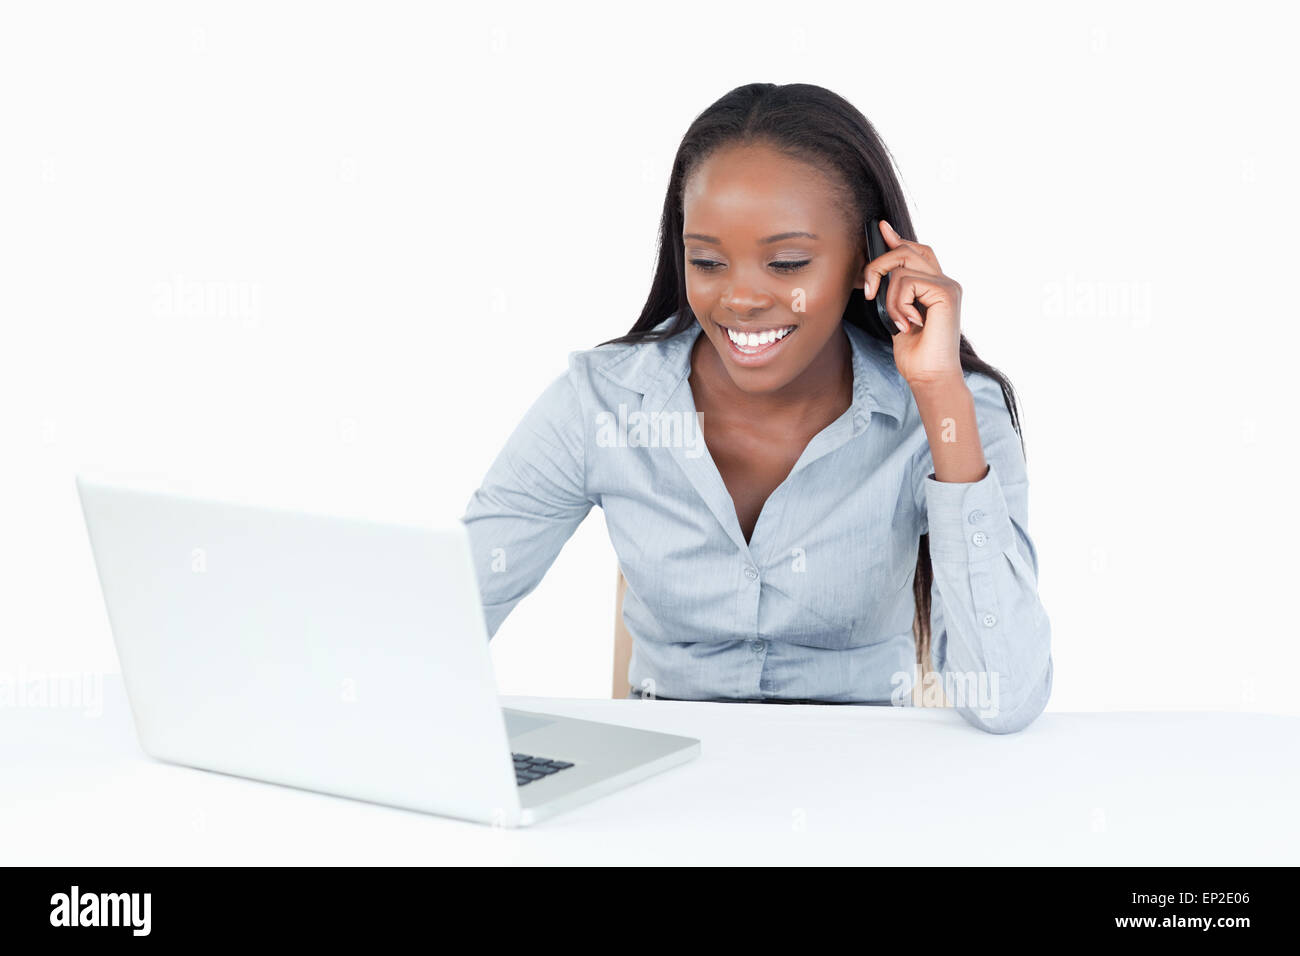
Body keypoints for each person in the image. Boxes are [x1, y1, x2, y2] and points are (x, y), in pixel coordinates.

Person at [461, 82, 1052, 734]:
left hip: (868, 784)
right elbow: (446, 617)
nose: (740, 299)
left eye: (787, 262)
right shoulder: (602, 401)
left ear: (869, 260)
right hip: (661, 785)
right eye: (708, 261)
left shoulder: (951, 409)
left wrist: (941, 392)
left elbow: (1006, 698)